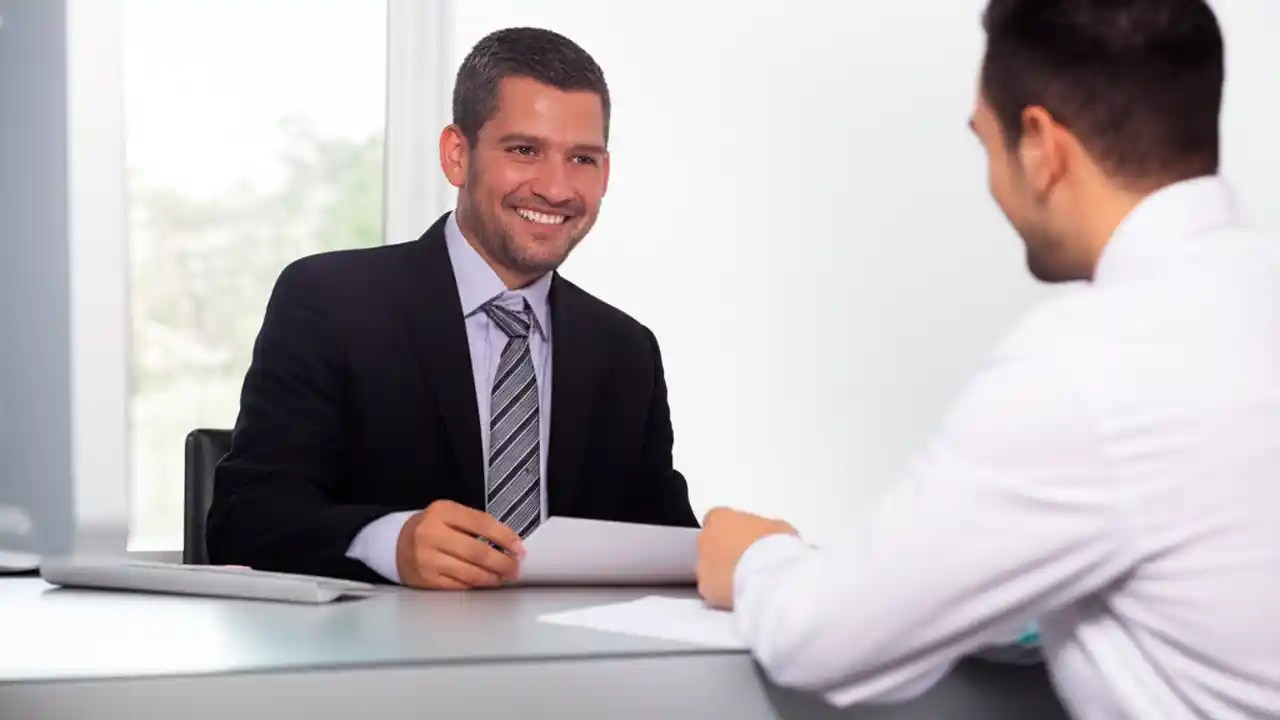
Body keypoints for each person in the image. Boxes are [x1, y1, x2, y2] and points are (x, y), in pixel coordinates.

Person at [695, 1, 1280, 717]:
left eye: (987, 144)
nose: (994, 181)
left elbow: (824, 638)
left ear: (1039, 146)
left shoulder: (1089, 365)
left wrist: (756, 559)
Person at [208, 27, 697, 589]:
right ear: (457, 155)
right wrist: (392, 541)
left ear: (605, 174)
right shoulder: (330, 302)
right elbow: (243, 522)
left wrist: (747, 558)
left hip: (569, 668)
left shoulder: (626, 351)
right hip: (387, 668)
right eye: (524, 151)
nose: (557, 189)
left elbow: (663, 545)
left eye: (581, 159)